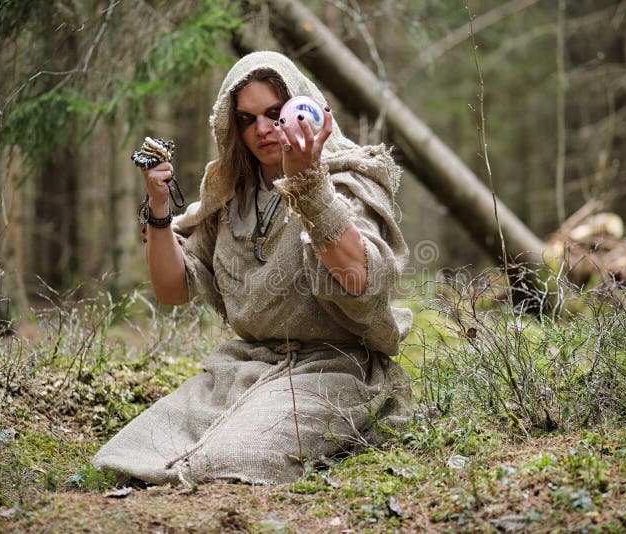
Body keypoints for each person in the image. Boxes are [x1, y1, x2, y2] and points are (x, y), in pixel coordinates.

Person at [92, 51, 413, 485]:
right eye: (247, 119)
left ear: (304, 108)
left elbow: (360, 279)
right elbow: (172, 290)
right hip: (244, 366)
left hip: (335, 368)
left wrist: (309, 185)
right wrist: (159, 207)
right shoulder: (229, 193)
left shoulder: (344, 179)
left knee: (232, 460)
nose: (262, 129)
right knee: (133, 453)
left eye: (275, 113)